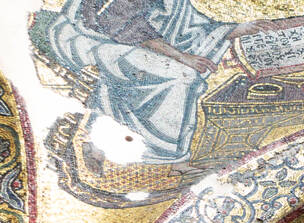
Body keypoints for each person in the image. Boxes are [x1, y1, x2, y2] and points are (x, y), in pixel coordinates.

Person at [45, 0, 272, 170]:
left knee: (181, 74)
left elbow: (189, 25)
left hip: (133, 41)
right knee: (182, 76)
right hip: (93, 41)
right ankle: (165, 157)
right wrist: (181, 56)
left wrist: (234, 30)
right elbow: (124, 27)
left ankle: (118, 143)